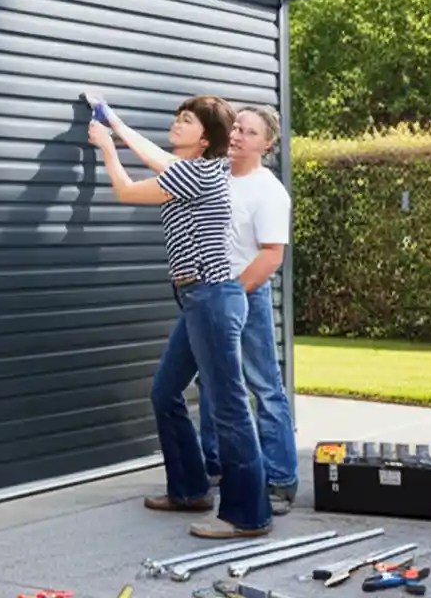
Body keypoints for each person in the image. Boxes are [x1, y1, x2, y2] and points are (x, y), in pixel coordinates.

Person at [83, 92, 271, 539]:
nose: (176, 124)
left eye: (186, 120)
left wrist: (108, 146)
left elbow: (128, 190)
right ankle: (189, 490)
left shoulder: (199, 173)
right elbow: (154, 157)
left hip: (212, 298)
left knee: (228, 408)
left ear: (204, 139)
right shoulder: (195, 169)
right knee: (165, 392)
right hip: (197, 300)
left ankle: (248, 514)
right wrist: (113, 119)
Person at [196, 105, 299, 514]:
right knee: (212, 383)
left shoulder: (268, 191)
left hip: (244, 295)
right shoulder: (215, 176)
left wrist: (233, 296)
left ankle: (279, 480)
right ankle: (219, 467)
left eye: (249, 132)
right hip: (209, 293)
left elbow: (272, 256)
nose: (237, 135)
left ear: (267, 144)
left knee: (263, 386)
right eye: (236, 127)